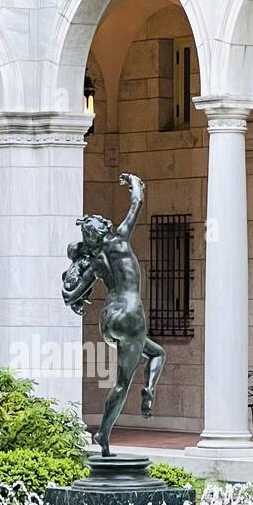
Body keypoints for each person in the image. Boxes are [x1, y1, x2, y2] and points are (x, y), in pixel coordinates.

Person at [61, 172, 165, 457]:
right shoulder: (119, 240)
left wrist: (71, 295)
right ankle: (105, 433)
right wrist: (134, 182)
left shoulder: (94, 263)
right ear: (105, 229)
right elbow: (136, 205)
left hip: (108, 321)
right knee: (122, 382)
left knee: (156, 352)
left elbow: (74, 295)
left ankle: (143, 394)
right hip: (131, 316)